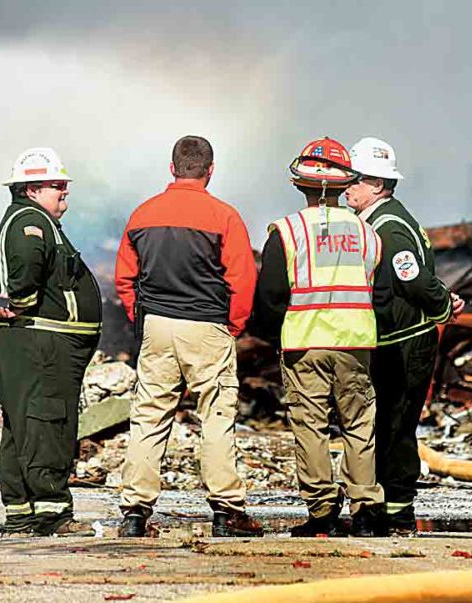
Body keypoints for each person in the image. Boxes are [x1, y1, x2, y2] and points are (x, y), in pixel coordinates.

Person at [114, 135, 262, 538]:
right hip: (207, 327)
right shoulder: (225, 216)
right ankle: (227, 513)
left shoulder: (142, 214)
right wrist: (232, 326)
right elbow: (242, 279)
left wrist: (141, 318)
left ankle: (134, 514)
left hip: (157, 327)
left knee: (148, 417)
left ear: (172, 168)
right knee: (215, 416)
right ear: (210, 171)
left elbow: (125, 278)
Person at [252, 137, 389, 537]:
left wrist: (281, 332)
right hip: (355, 343)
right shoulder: (368, 234)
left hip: (304, 343)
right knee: (359, 425)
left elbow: (270, 296)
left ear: (301, 185)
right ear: (346, 184)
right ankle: (366, 510)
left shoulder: (286, 232)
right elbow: (380, 294)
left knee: (310, 427)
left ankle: (323, 512)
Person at [344, 137, 465, 536]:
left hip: (405, 340)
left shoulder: (388, 227)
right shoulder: (386, 218)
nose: (348, 187)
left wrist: (443, 304)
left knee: (395, 424)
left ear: (377, 184)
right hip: (397, 337)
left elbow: (411, 279)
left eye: (355, 180)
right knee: (387, 422)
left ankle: (396, 511)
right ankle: (385, 505)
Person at [0, 147, 102, 537]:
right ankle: (53, 513)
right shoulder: (30, 223)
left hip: (32, 343)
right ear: (32, 189)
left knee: (23, 426)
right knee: (46, 423)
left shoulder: (31, 218)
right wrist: (17, 300)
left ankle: (21, 513)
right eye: (58, 187)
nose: (64, 194)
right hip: (39, 344)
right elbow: (26, 266)